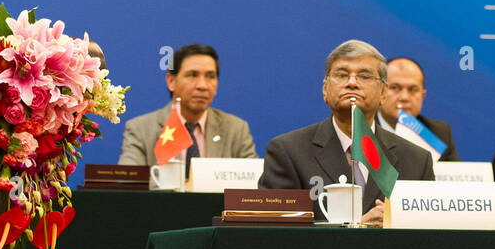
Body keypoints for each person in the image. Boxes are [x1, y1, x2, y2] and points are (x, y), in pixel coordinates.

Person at [260, 40, 434, 225]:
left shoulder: (416, 160)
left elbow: (430, 233)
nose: (352, 83)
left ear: (383, 92)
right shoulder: (288, 152)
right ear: (325, 89)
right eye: (342, 75)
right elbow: (277, 236)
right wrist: (357, 226)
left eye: (365, 76)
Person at [118, 44, 255, 168]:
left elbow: (253, 186)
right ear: (171, 81)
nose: (202, 85)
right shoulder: (141, 130)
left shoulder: (236, 130)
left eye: (210, 76)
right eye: (192, 75)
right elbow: (129, 186)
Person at [375, 56, 459, 160]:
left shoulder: (438, 133)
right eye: (395, 88)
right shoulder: (362, 129)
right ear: (381, 92)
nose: (404, 97)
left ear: (422, 95)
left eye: (413, 89)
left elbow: (453, 173)